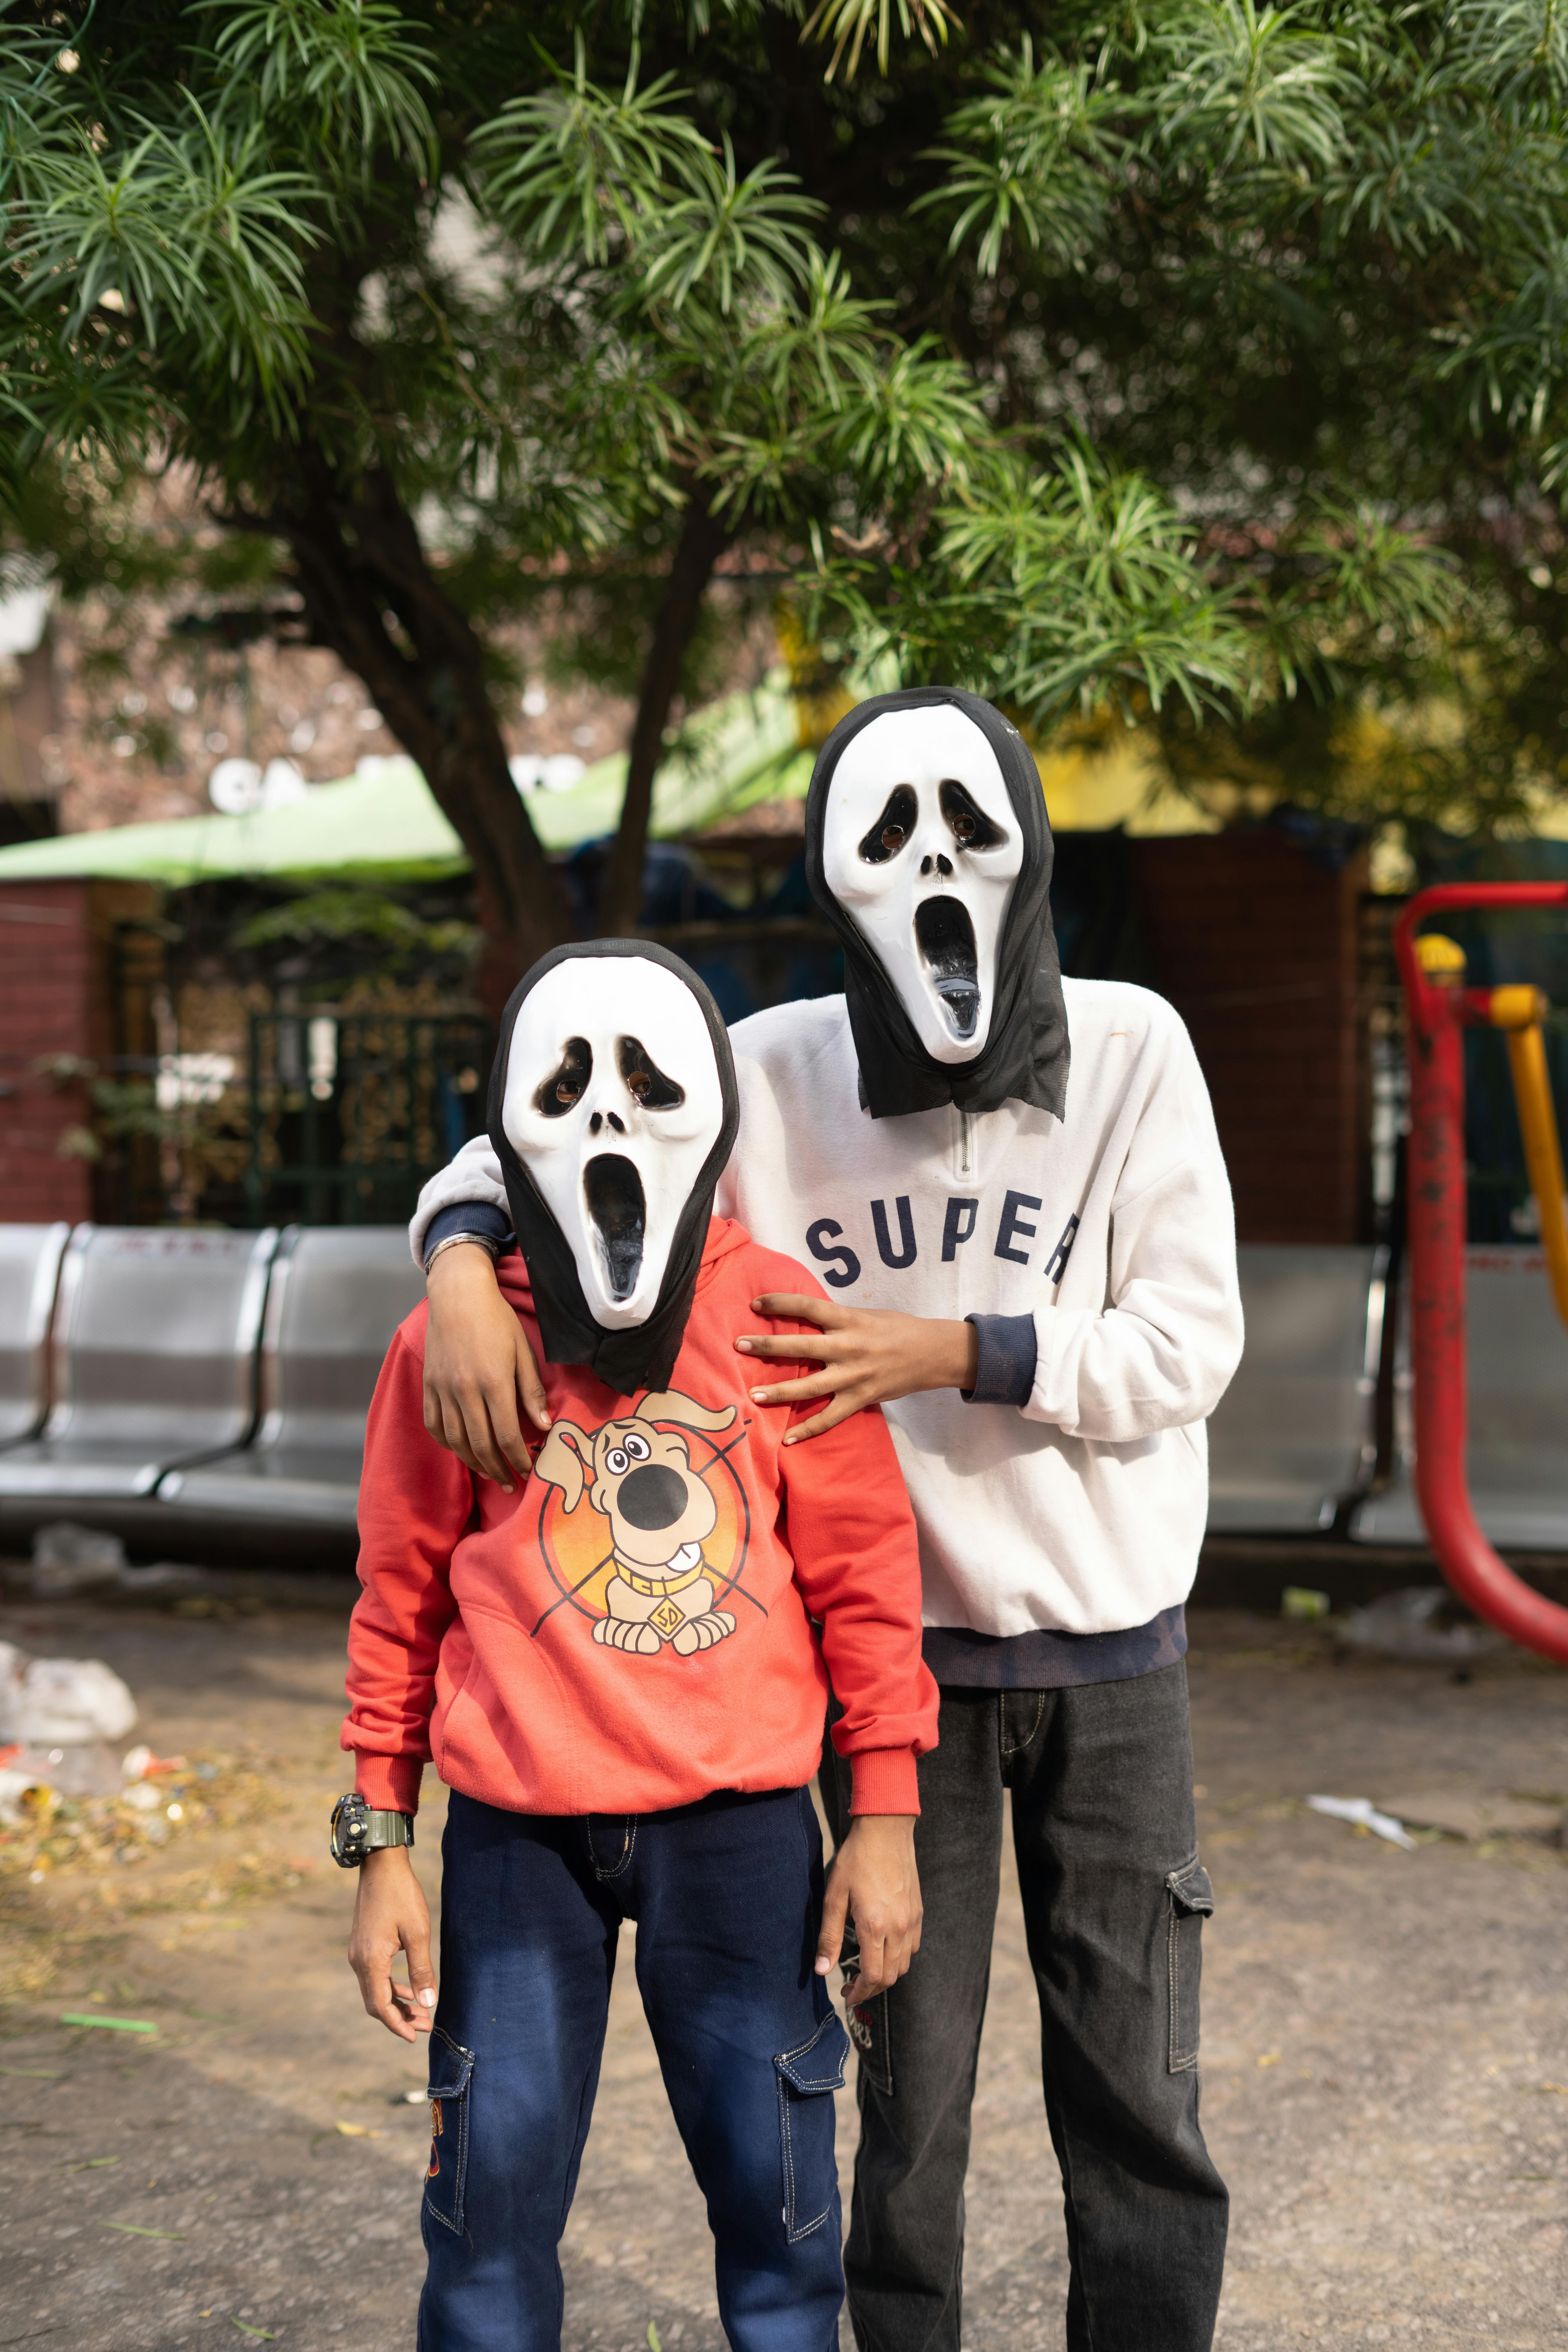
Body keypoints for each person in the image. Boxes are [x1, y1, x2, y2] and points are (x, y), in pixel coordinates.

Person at [411, 688, 1245, 2352]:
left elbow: (1187, 1345)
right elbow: (559, 1134)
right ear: (827, 869)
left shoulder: (1132, 1047)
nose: (931, 865)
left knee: (1139, 2093)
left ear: (1029, 844)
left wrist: (950, 1349)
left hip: (1111, 1659)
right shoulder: (774, 1068)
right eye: (886, 833)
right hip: (897, 1675)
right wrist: (452, 1261)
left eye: (967, 826)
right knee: (902, 2107)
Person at [337, 938, 938, 2352]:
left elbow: (866, 1582)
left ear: (709, 1109)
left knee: (780, 2222)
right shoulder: (453, 1341)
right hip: (515, 1845)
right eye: (563, 1086)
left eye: (649, 1082)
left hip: (739, 1840)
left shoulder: (780, 1317)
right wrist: (379, 1839)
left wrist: (886, 1816)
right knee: (486, 2221)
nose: (606, 1115)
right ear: (508, 1119)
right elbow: (396, 1596)